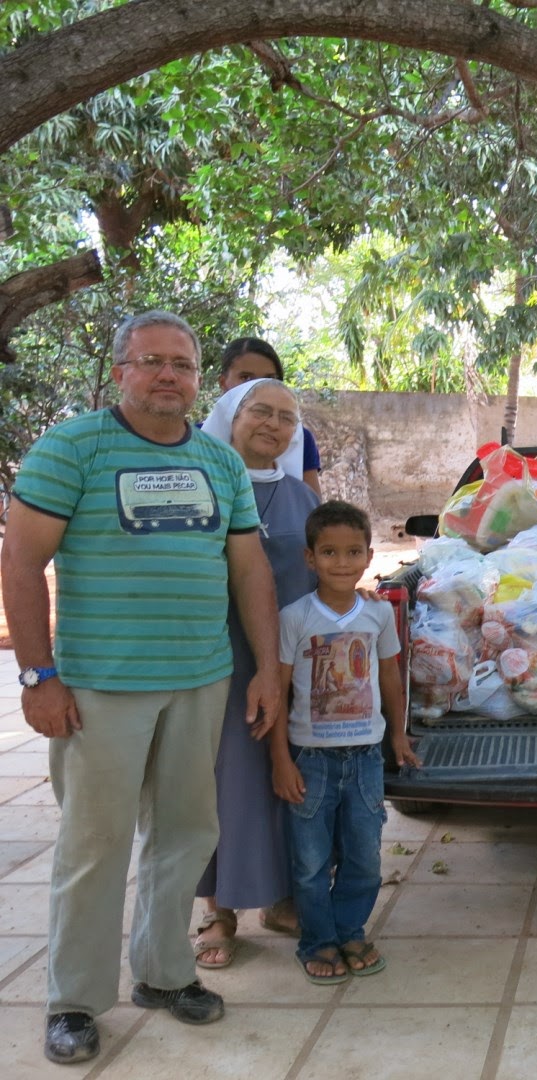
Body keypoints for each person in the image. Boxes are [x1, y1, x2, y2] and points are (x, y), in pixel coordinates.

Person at [0, 310, 281, 1064]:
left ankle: (163, 973)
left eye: (183, 365)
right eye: (151, 361)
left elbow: (248, 568)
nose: (169, 376)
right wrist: (38, 676)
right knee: (95, 845)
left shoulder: (220, 465)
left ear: (198, 381)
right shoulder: (73, 448)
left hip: (199, 681)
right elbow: (21, 563)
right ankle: (76, 1001)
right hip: (101, 688)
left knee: (188, 832)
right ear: (121, 369)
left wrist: (268, 668)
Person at [189, 379, 322, 967]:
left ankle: (282, 897)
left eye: (287, 418)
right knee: (222, 782)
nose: (273, 425)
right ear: (230, 416)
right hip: (219, 658)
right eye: (260, 412)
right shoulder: (199, 486)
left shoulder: (303, 498)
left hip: (292, 663)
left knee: (289, 779)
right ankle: (218, 910)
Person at [270, 501, 420, 983]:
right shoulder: (294, 617)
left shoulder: (376, 616)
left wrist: (396, 734)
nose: (341, 562)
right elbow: (276, 689)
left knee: (364, 857)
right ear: (310, 558)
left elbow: (391, 678)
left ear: (369, 556)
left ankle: (351, 930)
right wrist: (280, 760)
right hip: (309, 760)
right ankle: (317, 941)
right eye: (329, 552)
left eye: (353, 552)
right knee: (311, 863)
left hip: (365, 759)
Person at [219, 337, 323, 496]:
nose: (258, 385)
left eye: (269, 379)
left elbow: (311, 509)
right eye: (246, 378)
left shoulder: (298, 439)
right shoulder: (198, 437)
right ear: (223, 383)